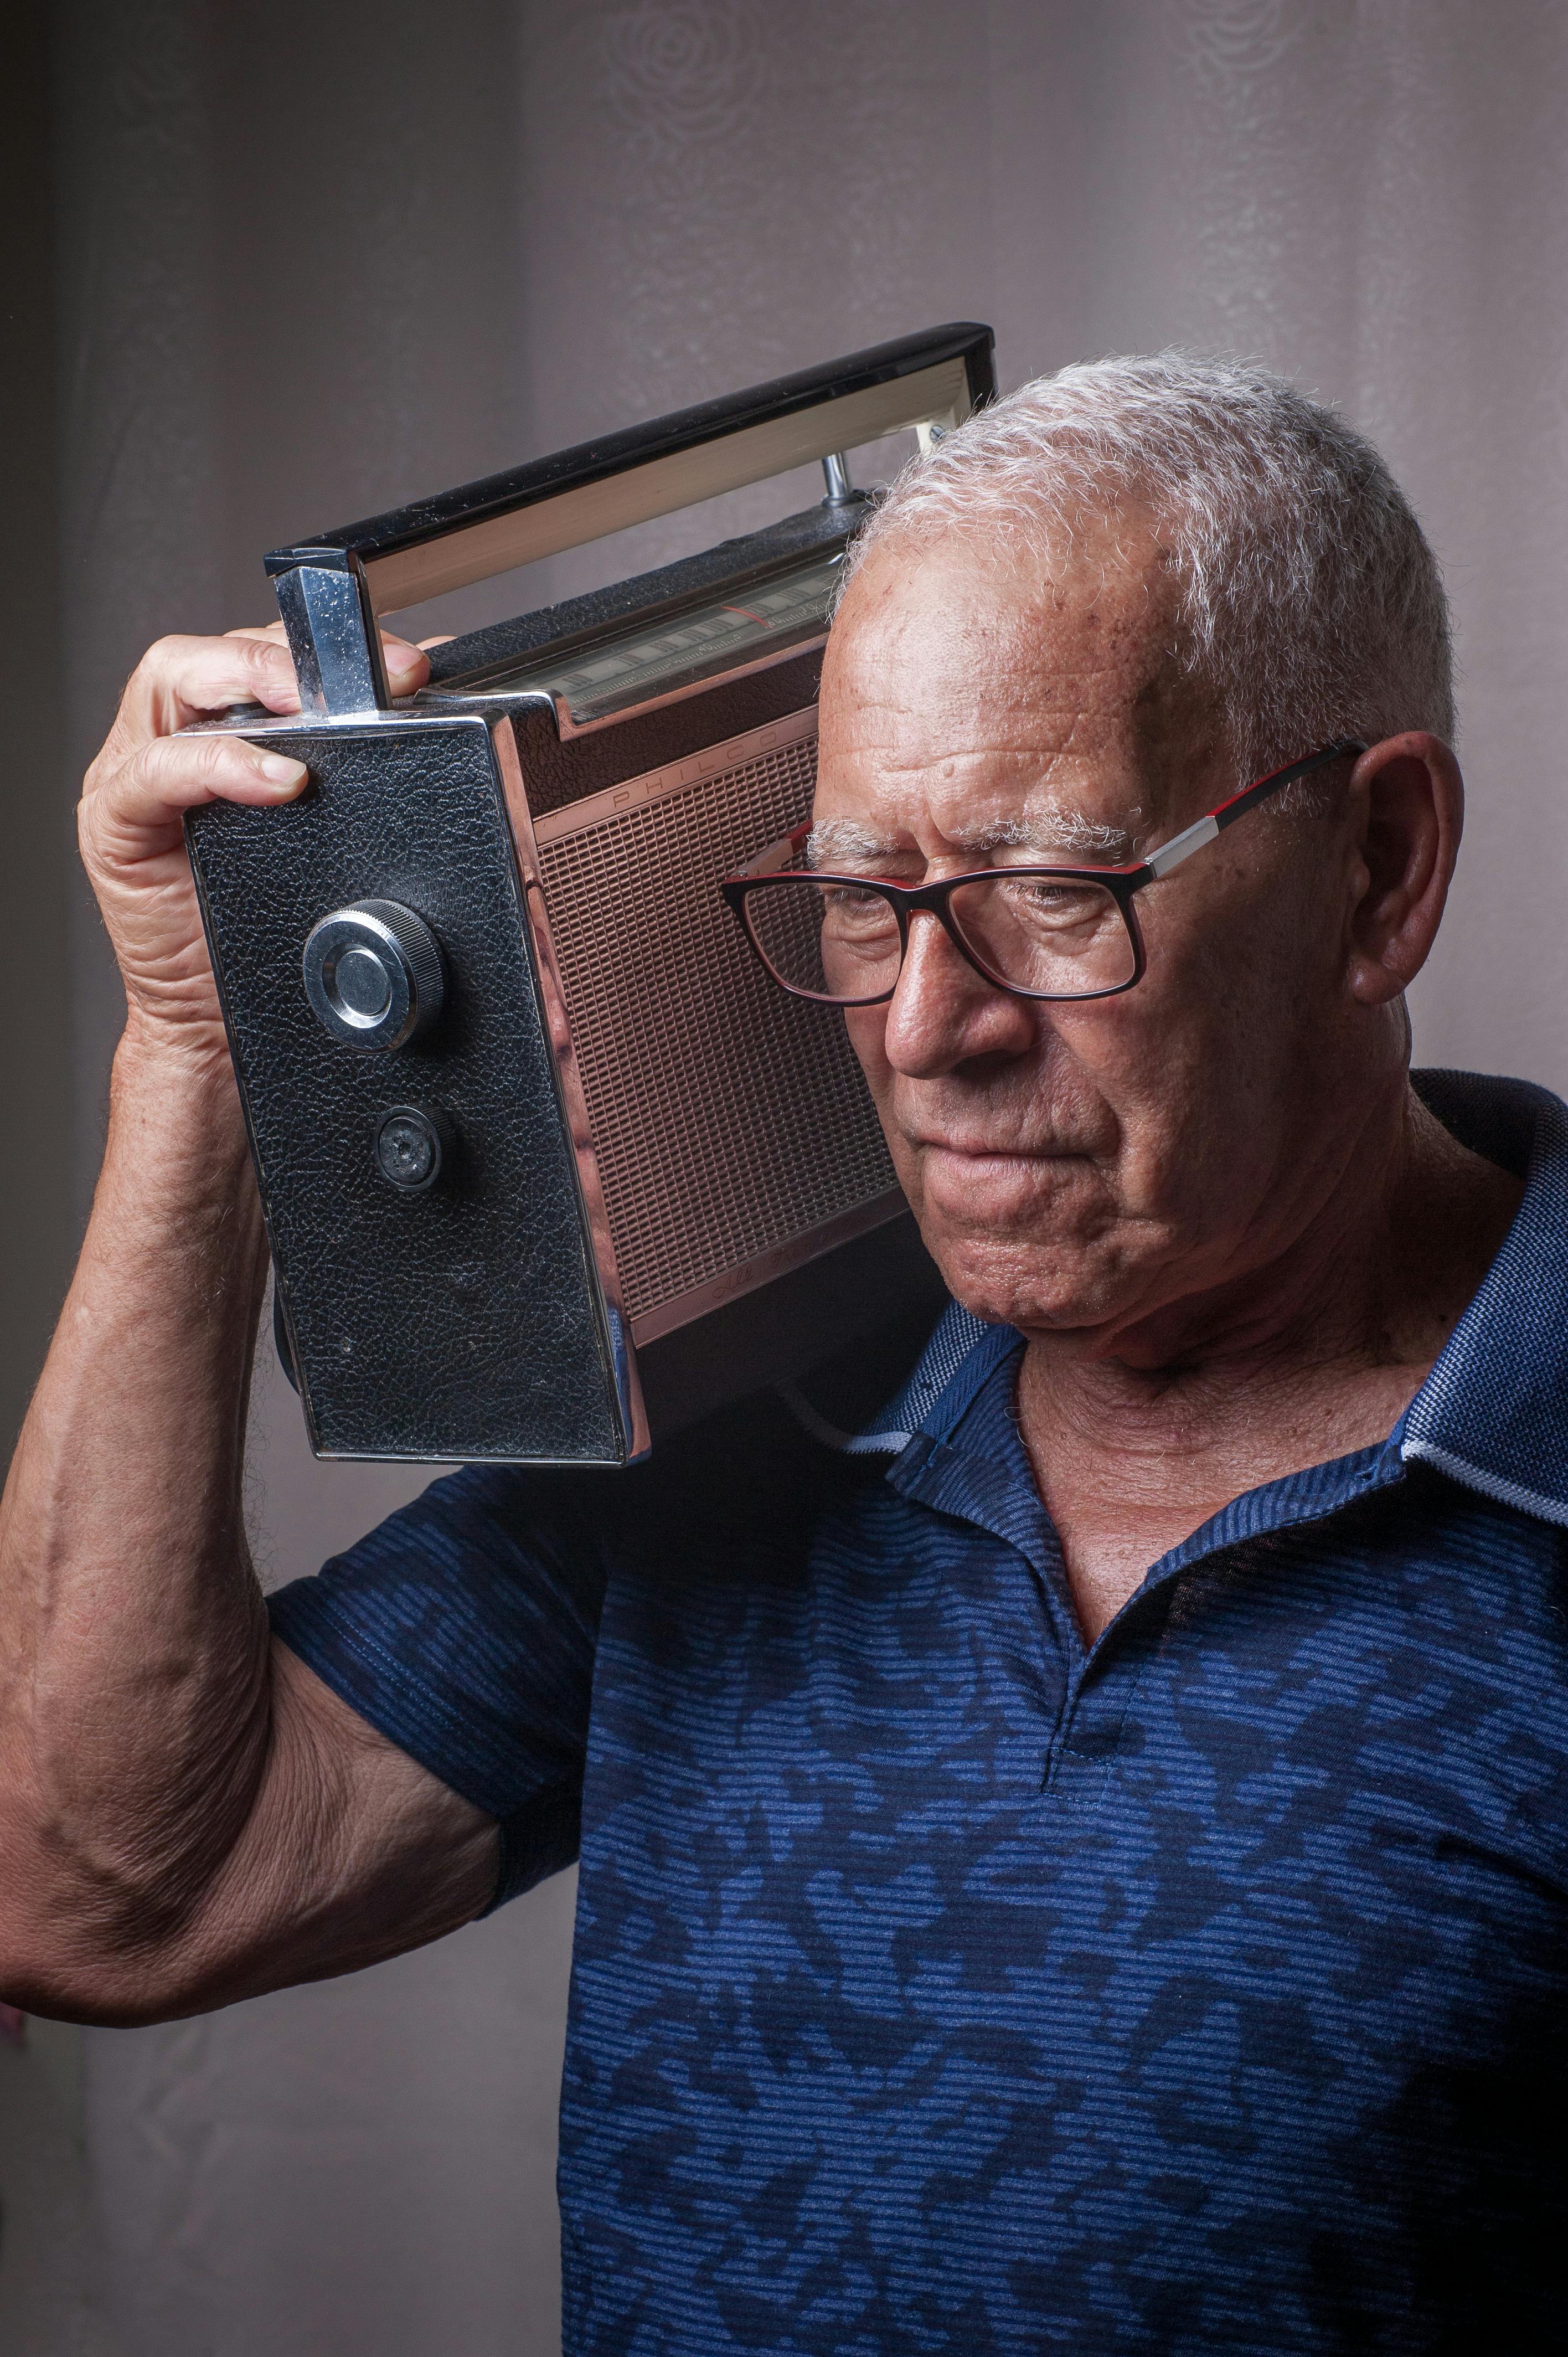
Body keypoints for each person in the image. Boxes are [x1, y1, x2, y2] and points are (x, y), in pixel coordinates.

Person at [2, 352, 1564, 2354]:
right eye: (858, 897)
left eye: (1051, 894)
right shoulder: (767, 1401)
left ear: (1379, 867)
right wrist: (196, 1057)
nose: (924, 1032)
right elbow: (96, 1891)